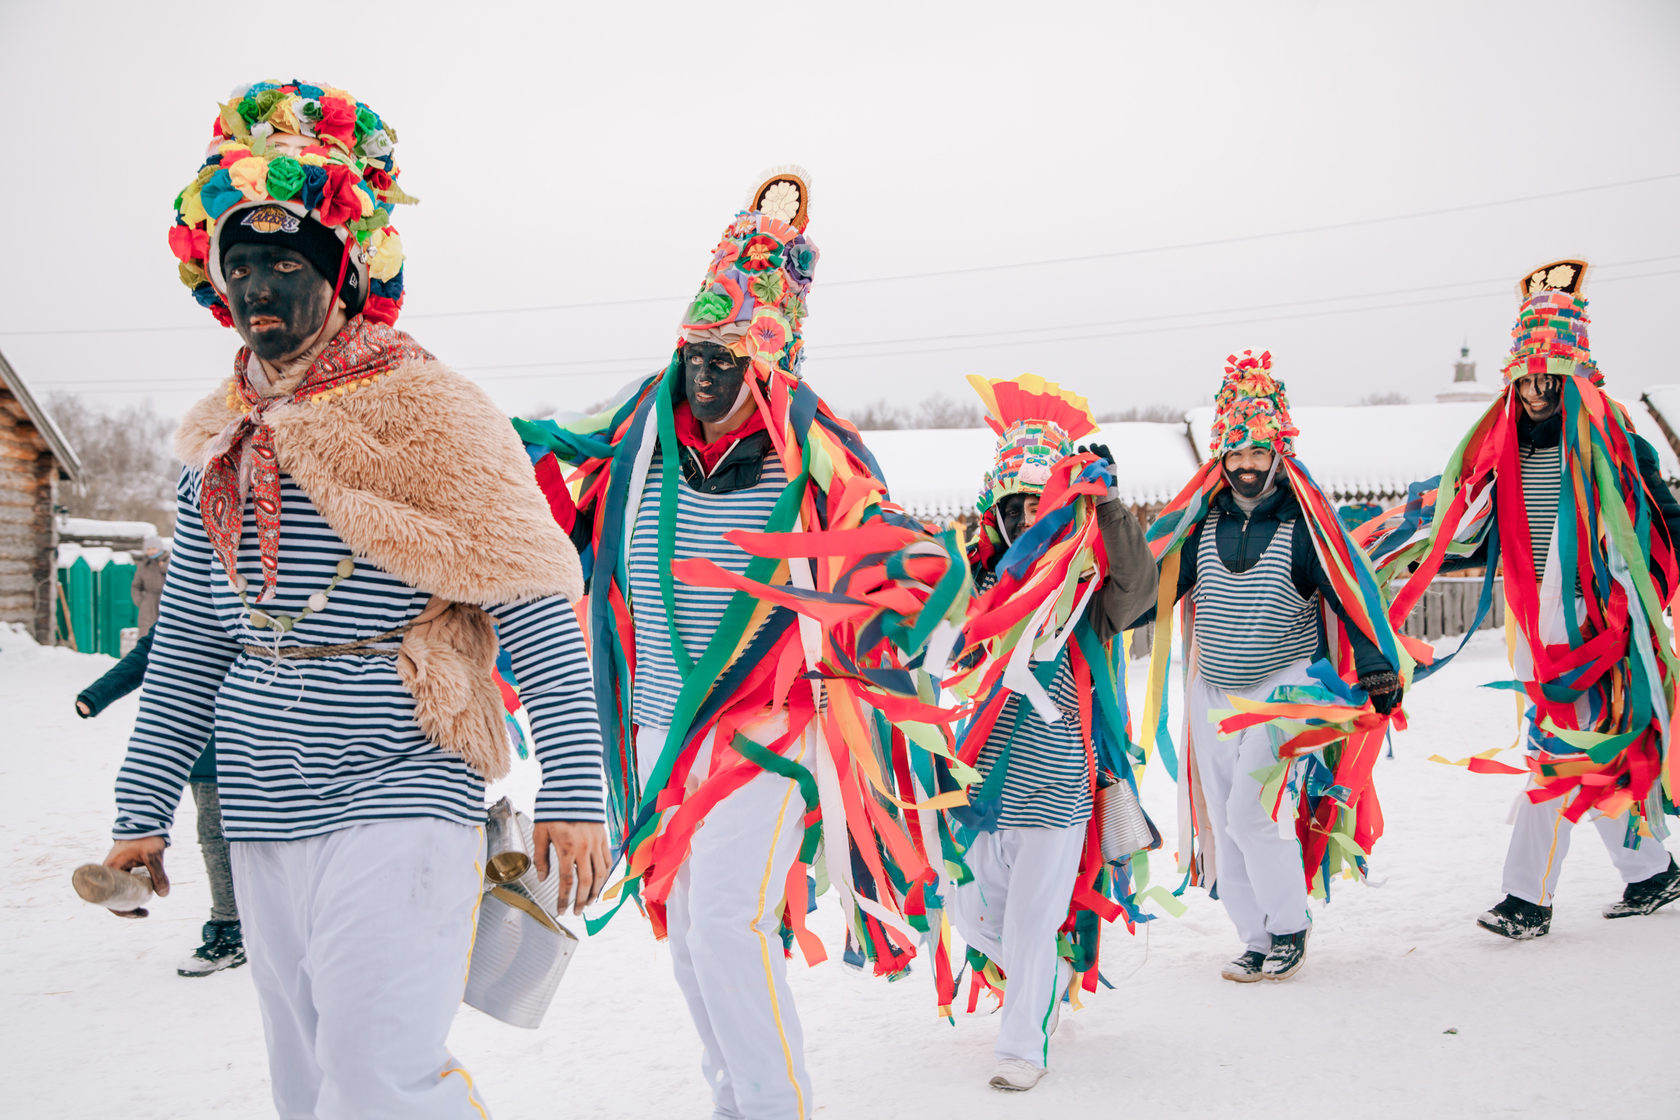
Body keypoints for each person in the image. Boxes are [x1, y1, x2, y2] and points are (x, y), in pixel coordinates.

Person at [99, 79, 608, 1119]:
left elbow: (534, 599)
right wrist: (140, 813)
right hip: (261, 802)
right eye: (240, 265)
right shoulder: (218, 442)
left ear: (344, 271)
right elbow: (190, 643)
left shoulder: (434, 412)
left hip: (403, 781)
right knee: (307, 1086)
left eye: (287, 264)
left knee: (378, 1078)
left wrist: (575, 791)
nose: (259, 288)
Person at [516, 169, 970, 1120]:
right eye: (694, 351)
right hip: (653, 728)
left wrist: (901, 590)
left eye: (726, 355)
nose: (705, 371)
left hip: (767, 729)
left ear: (767, 363)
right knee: (689, 932)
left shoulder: (813, 448)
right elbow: (547, 469)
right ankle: (736, 1099)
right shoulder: (639, 433)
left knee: (729, 925)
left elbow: (892, 546)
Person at [1364, 261, 1680, 938]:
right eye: (1527, 379)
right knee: (1588, 752)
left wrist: (1641, 601)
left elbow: (1666, 525)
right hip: (1535, 629)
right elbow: (1475, 532)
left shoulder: (1617, 448)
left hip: (1601, 631)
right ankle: (1652, 872)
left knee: (1557, 755)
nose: (1537, 391)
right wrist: (1407, 551)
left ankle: (1526, 898)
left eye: (1550, 378)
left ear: (1574, 378)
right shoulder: (1501, 453)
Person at [1139, 350, 1407, 982]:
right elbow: (1151, 597)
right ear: (1219, 456)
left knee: (1252, 812)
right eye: (1234, 453)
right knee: (1222, 818)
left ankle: (1289, 927)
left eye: (1258, 452)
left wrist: (1377, 665)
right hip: (1212, 689)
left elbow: (1348, 594)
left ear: (1279, 452)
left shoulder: (1302, 526)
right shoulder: (1201, 524)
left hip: (1282, 685)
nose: (1246, 465)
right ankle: (1255, 937)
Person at [939, 375, 1157, 1092]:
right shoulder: (972, 584)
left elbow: (1140, 590)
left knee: (1032, 923)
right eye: (1020, 506)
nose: (1032, 516)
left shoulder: (1088, 591)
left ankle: (1020, 1047)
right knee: (971, 911)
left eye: (1045, 503)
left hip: (1058, 788)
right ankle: (1050, 980)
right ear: (1000, 512)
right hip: (979, 789)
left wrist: (1111, 506)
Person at [76, 630, 241, 976]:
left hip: (268, 736)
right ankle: (230, 927)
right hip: (204, 745)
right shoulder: (193, 611)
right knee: (214, 835)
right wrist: (98, 694)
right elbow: (149, 652)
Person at [131, 535, 170, 636]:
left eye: (153, 548)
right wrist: (141, 601)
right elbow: (136, 586)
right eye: (148, 549)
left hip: (165, 600)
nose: (151, 551)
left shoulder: (169, 561)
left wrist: (164, 567)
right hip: (148, 603)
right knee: (146, 631)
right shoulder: (143, 565)